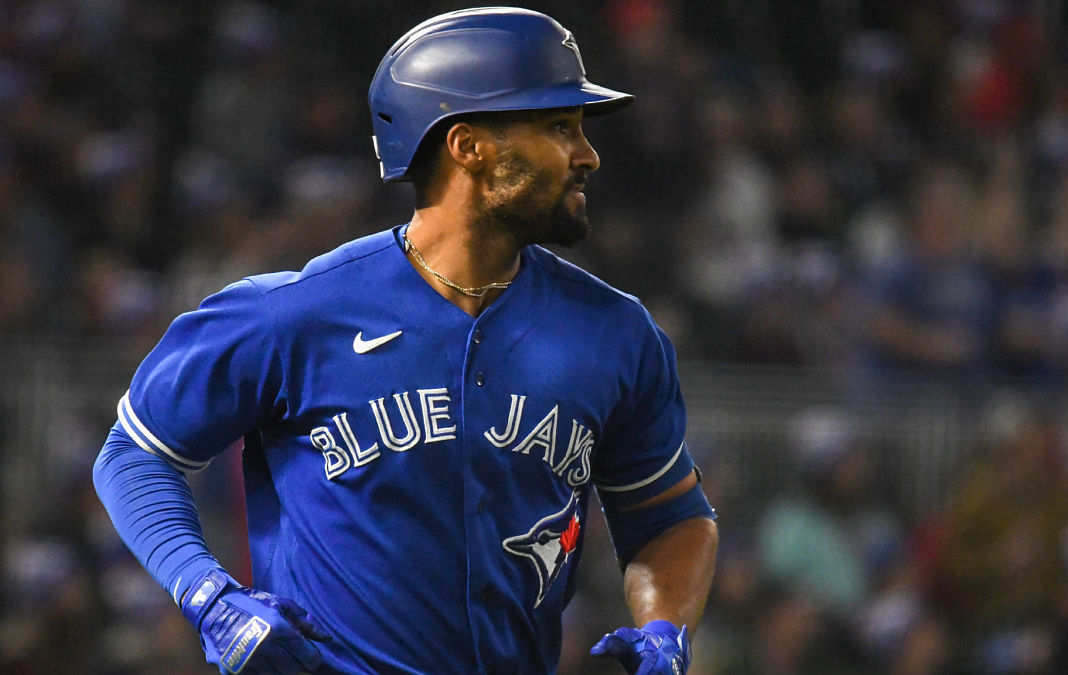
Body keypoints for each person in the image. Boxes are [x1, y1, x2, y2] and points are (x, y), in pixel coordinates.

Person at [91, 7, 718, 675]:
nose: (588, 154)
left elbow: (670, 515)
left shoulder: (616, 332)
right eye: (558, 127)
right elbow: (134, 453)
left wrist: (664, 628)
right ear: (468, 146)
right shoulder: (295, 313)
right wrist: (207, 594)